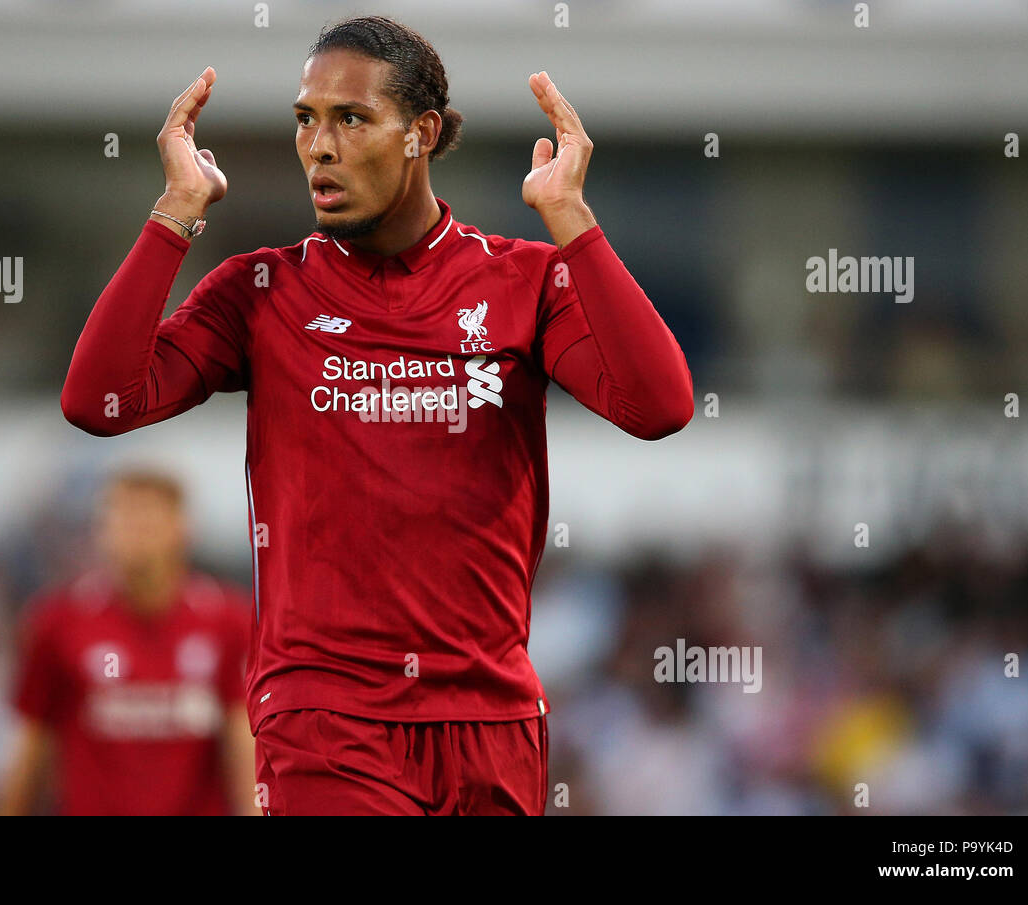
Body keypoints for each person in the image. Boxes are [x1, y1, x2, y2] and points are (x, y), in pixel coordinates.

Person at [60, 15, 693, 815]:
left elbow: (661, 406)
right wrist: (176, 210)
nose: (319, 147)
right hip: (326, 723)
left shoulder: (522, 281)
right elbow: (98, 400)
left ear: (419, 134)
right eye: (306, 120)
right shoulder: (261, 293)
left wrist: (568, 217)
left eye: (350, 119)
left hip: (492, 720)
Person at [0, 468, 256, 815]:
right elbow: (29, 746)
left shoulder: (227, 621)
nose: (137, 533)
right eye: (125, 518)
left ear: (182, 529)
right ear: (102, 531)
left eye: (149, 518)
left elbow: (243, 746)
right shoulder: (58, 622)